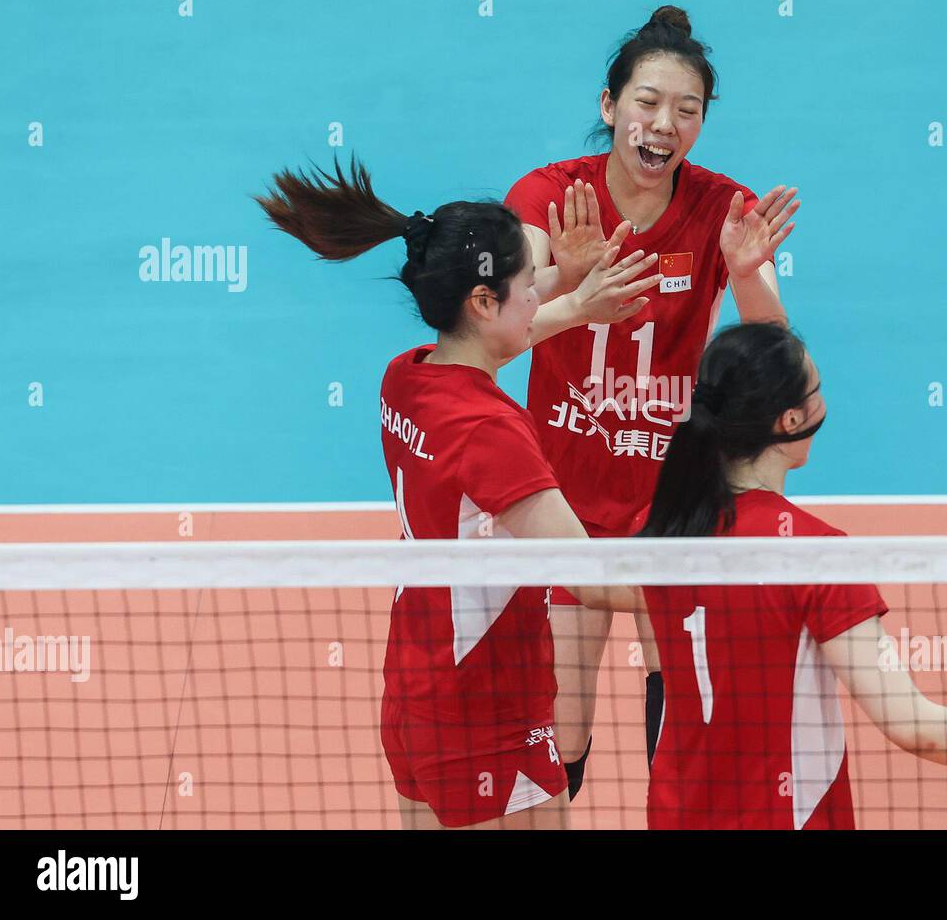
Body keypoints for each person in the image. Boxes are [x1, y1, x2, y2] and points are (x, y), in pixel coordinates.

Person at [254, 156, 653, 828]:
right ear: (483, 301)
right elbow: (591, 578)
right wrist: (729, 581)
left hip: (414, 691)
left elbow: (490, 346)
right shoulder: (494, 434)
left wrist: (576, 300)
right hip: (490, 710)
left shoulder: (404, 377)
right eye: (533, 284)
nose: (540, 298)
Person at [635, 322, 947, 828]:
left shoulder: (660, 534)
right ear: (790, 420)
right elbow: (913, 725)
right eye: (817, 390)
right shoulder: (812, 553)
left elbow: (591, 586)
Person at [504, 4, 800, 796]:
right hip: (560, 504)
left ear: (702, 121)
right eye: (645, 102)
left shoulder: (723, 210)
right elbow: (504, 325)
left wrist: (743, 274)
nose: (662, 124)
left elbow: (780, 365)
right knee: (559, 734)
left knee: (687, 722)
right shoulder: (548, 196)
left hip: (676, 501)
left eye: (687, 109)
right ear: (610, 108)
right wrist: (566, 286)